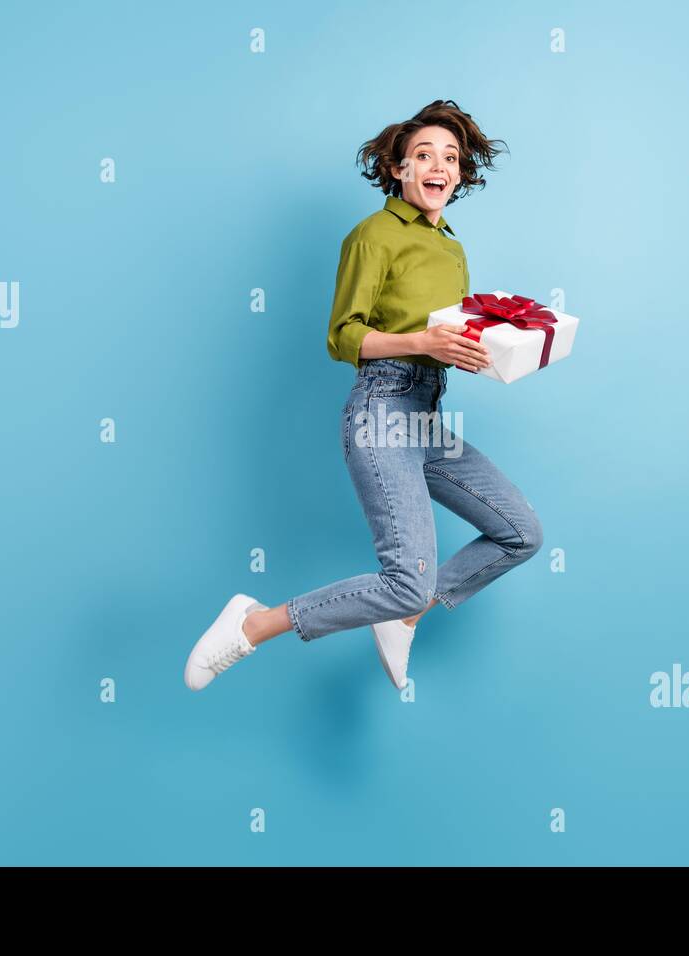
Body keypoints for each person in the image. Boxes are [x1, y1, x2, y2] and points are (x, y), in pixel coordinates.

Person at [185, 99, 543, 693]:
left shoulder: (452, 247)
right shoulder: (373, 236)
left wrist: (487, 352)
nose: (440, 166)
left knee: (521, 533)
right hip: (381, 410)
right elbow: (342, 335)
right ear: (399, 169)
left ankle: (408, 615)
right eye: (424, 155)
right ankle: (254, 623)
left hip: (426, 414)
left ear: (461, 173)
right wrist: (423, 339)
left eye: (451, 157)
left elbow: (441, 338)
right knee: (408, 575)